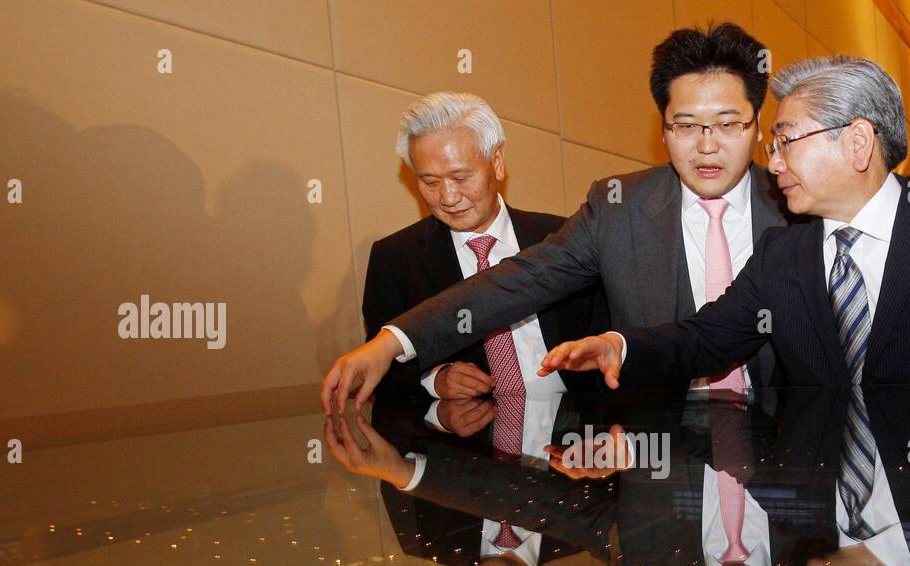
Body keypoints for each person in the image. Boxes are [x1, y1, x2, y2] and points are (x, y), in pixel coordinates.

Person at [323, 22, 791, 415]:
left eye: (729, 124)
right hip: (655, 453)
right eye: (686, 125)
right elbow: (517, 281)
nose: (707, 145)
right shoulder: (617, 208)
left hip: (793, 444)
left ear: (757, 125)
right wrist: (391, 342)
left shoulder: (797, 208)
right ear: (663, 128)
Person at [536, 55, 910, 388]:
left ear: (857, 142)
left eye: (787, 142)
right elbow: (705, 338)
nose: (772, 164)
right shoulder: (782, 253)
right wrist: (617, 345)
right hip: (819, 534)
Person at [358, 92, 603, 416]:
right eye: (430, 182)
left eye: (461, 177)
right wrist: (434, 380)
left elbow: (614, 336)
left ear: (497, 163)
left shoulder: (565, 238)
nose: (448, 197)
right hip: (467, 449)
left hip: (578, 439)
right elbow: (379, 369)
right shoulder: (395, 258)